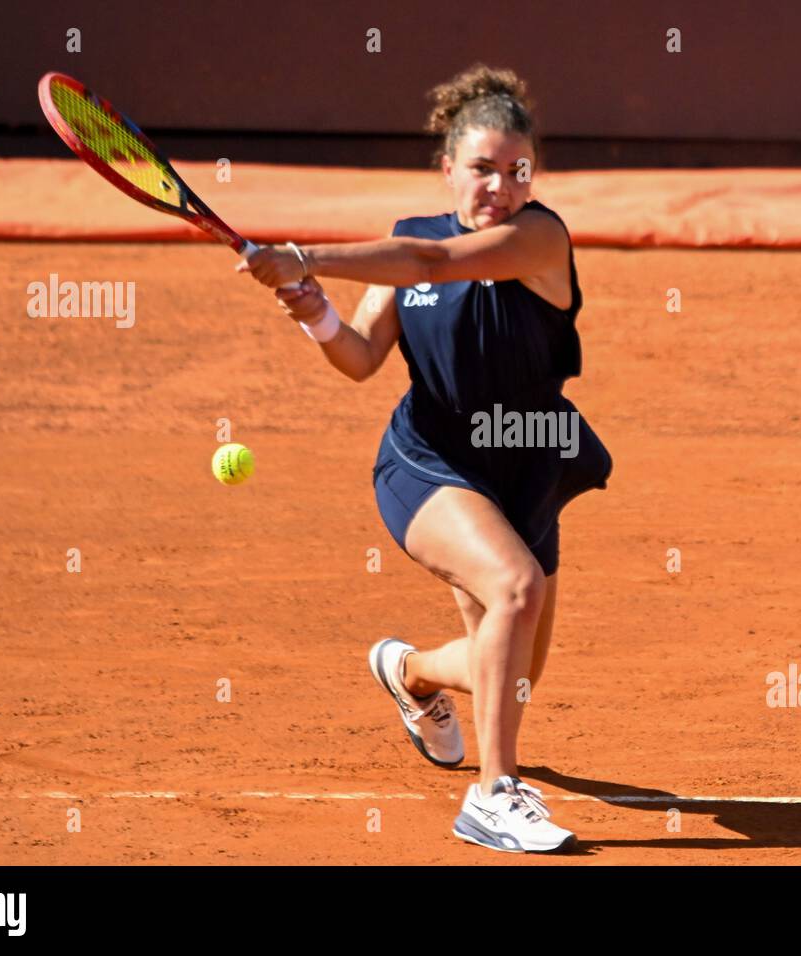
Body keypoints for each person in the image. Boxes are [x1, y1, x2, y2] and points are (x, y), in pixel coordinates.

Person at [240, 64, 611, 854]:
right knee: (515, 588)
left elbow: (435, 264)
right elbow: (361, 358)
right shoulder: (411, 243)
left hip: (527, 461)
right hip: (431, 463)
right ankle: (493, 796)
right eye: (481, 168)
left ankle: (407, 674)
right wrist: (316, 312)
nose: (499, 186)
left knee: (504, 676)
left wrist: (305, 254)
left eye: (517, 171)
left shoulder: (539, 238)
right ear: (447, 169)